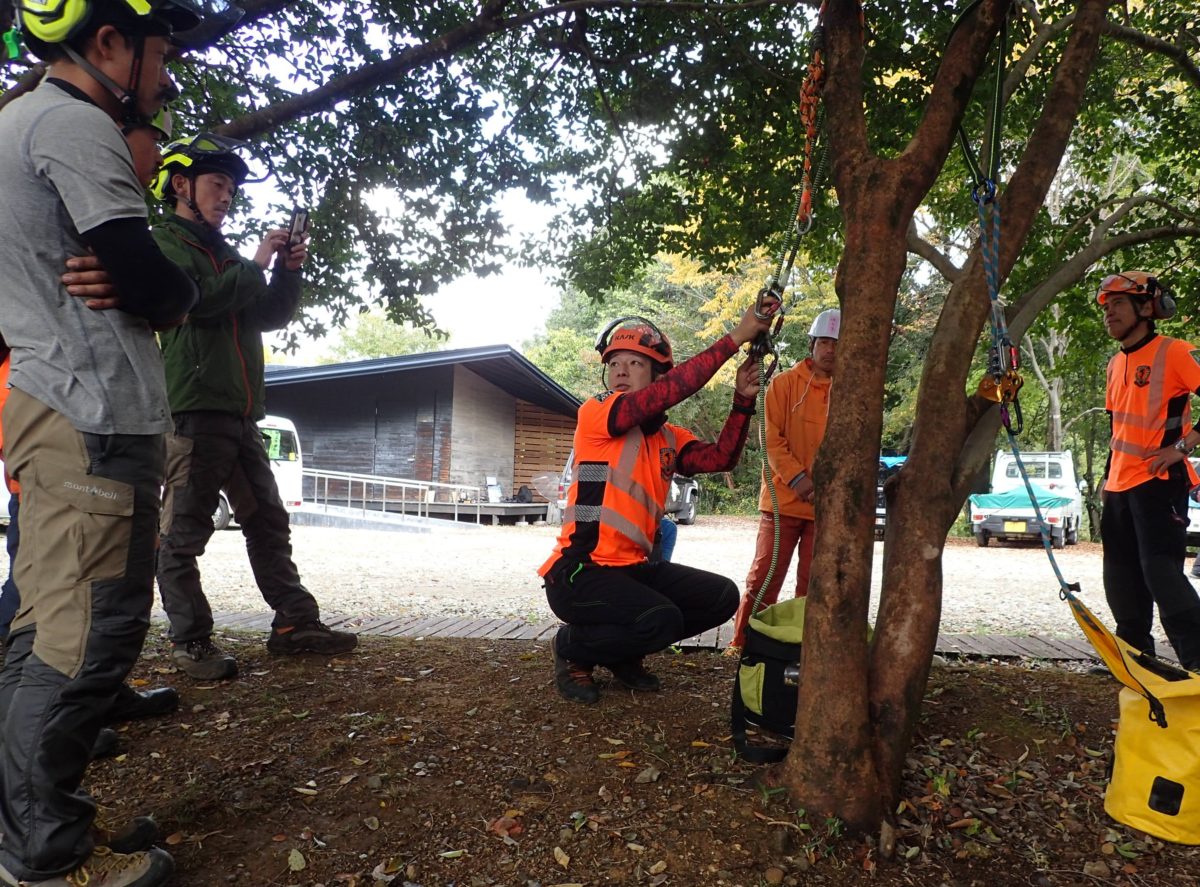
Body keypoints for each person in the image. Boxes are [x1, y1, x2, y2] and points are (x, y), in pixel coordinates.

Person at [0, 1, 205, 883]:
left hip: (53, 409)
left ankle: (29, 831)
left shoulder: (16, 123)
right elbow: (160, 283)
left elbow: (134, 276)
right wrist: (164, 292)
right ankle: (43, 857)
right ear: (110, 42)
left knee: (41, 631)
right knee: (87, 639)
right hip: (93, 419)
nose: (168, 76)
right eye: (161, 53)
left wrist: (146, 284)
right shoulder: (75, 124)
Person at [150, 133, 357, 680]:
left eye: (231, 188)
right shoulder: (164, 244)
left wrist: (286, 270)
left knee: (268, 520)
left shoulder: (227, 257)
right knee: (183, 534)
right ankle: (191, 639)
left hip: (242, 415)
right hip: (195, 411)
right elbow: (200, 302)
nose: (227, 196)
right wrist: (258, 261)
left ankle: (295, 623)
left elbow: (268, 315)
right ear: (181, 185)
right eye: (218, 184)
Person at [539, 302, 777, 704]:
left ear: (656, 376)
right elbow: (670, 392)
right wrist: (737, 337)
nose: (621, 370)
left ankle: (621, 654)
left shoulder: (670, 438)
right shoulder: (597, 413)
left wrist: (742, 399)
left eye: (635, 363)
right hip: (579, 572)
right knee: (660, 619)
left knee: (721, 597)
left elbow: (720, 458)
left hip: (632, 570)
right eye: (614, 362)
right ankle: (572, 648)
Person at [1098, 271, 1200, 672]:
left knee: (1162, 575)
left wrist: (1182, 448)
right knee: (1120, 579)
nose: (1109, 313)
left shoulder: (1175, 352)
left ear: (1146, 308)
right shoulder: (1114, 364)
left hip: (1159, 484)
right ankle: (1136, 663)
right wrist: (1107, 479)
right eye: (1107, 307)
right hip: (1119, 485)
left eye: (1118, 305)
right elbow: (1117, 429)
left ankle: (1197, 663)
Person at [726, 308, 839, 656]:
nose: (830, 350)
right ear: (812, 344)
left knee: (813, 583)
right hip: (782, 501)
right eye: (824, 342)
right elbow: (770, 437)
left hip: (824, 507)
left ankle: (801, 649)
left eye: (837, 343)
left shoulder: (849, 392)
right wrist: (798, 478)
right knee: (764, 577)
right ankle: (743, 643)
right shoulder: (785, 384)